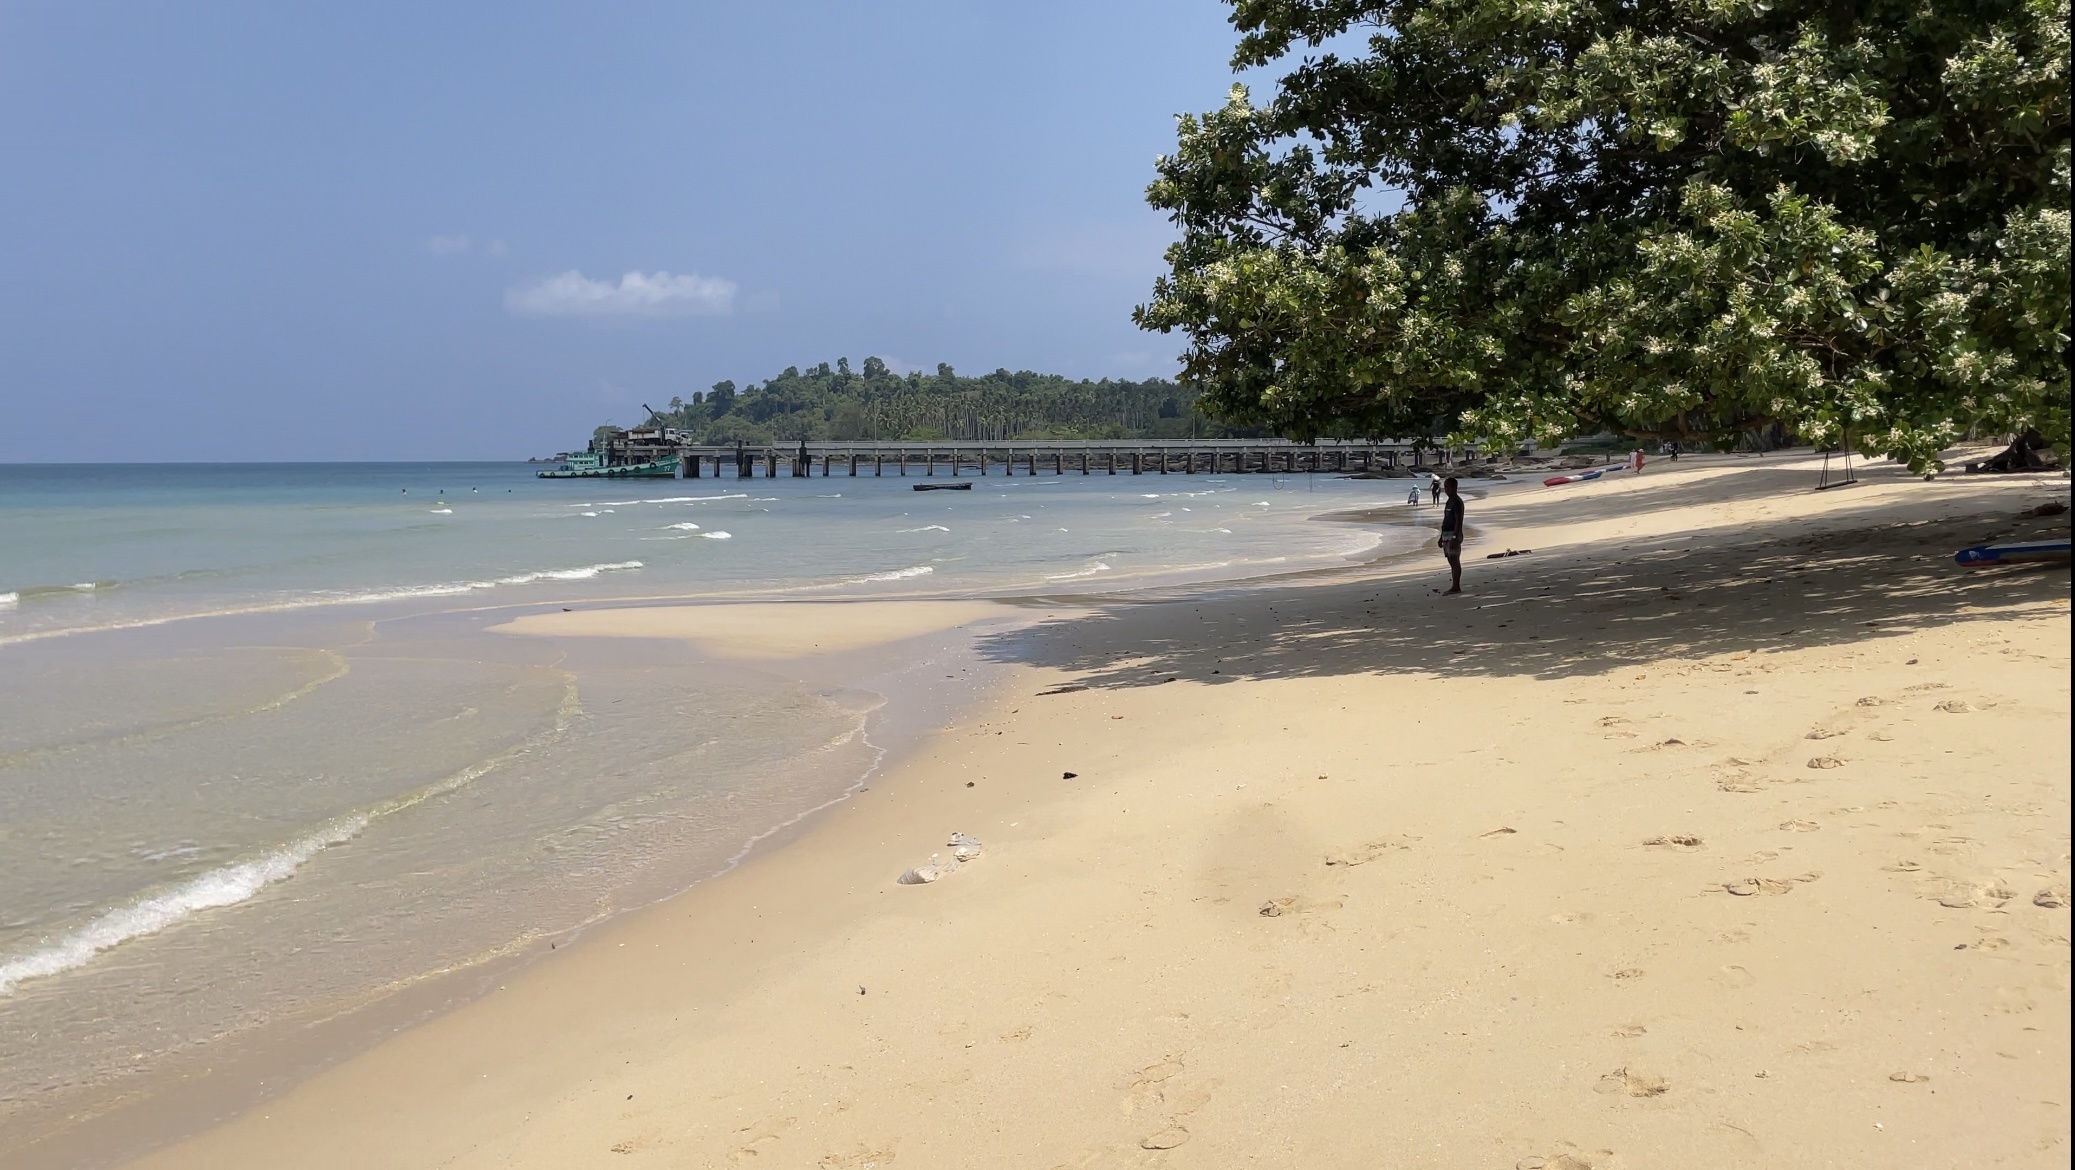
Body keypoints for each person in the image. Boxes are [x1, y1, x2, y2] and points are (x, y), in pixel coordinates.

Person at [1438, 477, 1465, 594]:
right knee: (1450, 560)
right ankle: (1454, 585)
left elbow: (1459, 521)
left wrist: (1455, 537)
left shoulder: (1457, 502)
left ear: (1454, 487)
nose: (1446, 489)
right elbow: (1446, 520)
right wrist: (1441, 537)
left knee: (1455, 560)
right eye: (1445, 486)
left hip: (1454, 535)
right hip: (1446, 534)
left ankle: (1456, 586)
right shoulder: (1449, 501)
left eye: (1448, 486)